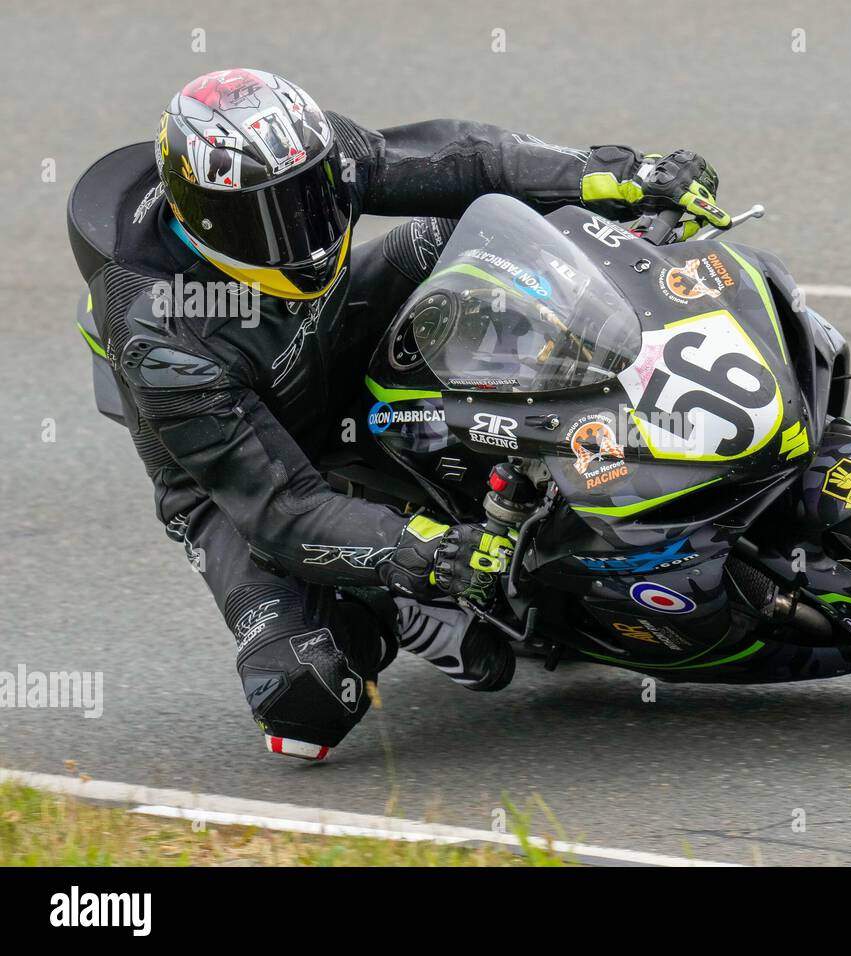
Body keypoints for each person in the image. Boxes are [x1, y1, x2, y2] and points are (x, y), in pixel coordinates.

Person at [67, 68, 729, 759]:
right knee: (306, 693)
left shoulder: (315, 155)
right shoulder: (161, 332)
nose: (308, 230)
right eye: (273, 219)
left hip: (330, 341)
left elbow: (466, 159)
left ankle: (619, 389)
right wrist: (424, 555)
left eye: (313, 198)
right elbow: (282, 508)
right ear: (205, 221)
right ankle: (399, 607)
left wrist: (616, 174)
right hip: (240, 482)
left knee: (466, 235)